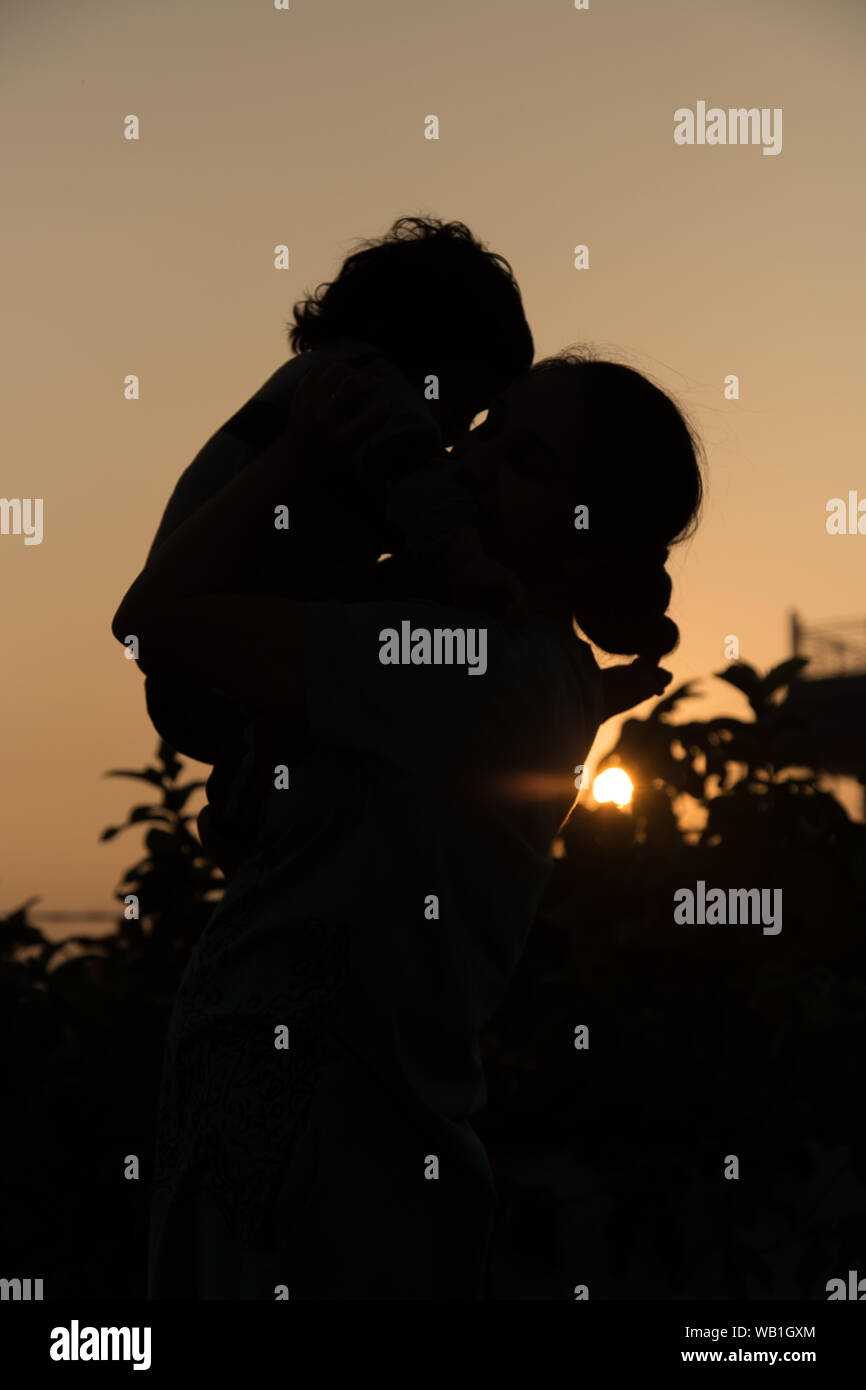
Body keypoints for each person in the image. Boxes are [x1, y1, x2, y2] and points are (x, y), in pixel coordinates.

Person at [112, 347, 703, 1299]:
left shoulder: (465, 661)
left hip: (327, 1187)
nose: (468, 460)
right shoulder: (499, 659)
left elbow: (158, 616)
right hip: (298, 1165)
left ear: (592, 538)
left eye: (525, 462)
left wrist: (300, 447)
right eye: (488, 429)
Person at [139, 216, 535, 771]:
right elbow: (415, 475)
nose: (456, 435)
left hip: (212, 656)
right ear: (425, 349)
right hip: (218, 645)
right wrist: (468, 561)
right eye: (463, 406)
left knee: (284, 769)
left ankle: (253, 802)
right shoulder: (364, 387)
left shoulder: (327, 385)